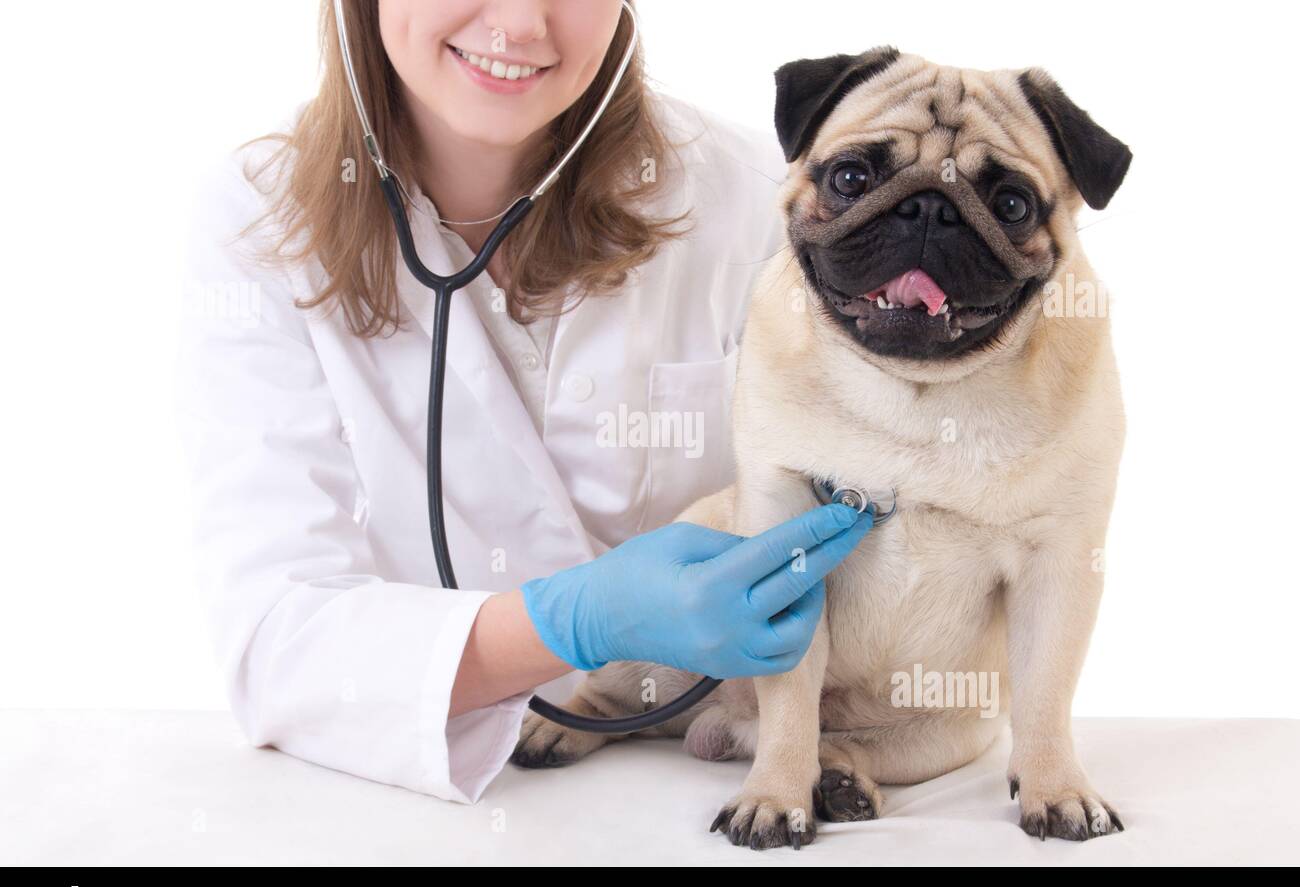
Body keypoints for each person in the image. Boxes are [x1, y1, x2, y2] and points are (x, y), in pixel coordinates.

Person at [178, 0, 873, 803]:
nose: (517, 22)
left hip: (723, 780)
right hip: (424, 812)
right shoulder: (261, 220)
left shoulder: (760, 199)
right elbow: (277, 647)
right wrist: (570, 621)